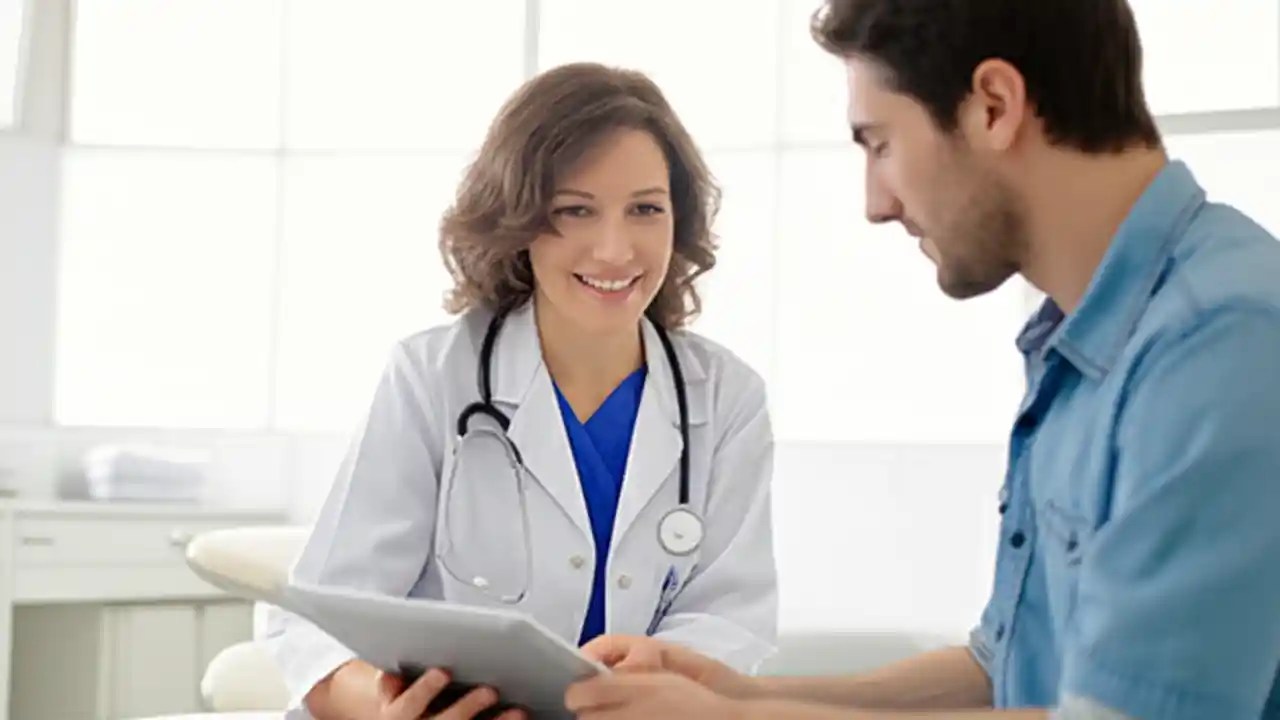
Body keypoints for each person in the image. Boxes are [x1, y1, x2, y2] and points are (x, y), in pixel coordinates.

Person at [564, 1, 1280, 719]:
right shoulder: (1086, 344)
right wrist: (738, 691)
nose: (876, 203)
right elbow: (1003, 671)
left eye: (878, 144)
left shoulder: (1221, 343)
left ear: (993, 107)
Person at [264, 62, 778, 720]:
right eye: (574, 211)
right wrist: (397, 711)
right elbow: (317, 625)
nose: (615, 249)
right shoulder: (432, 377)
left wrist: (664, 674)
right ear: (518, 220)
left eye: (646, 208)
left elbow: (731, 620)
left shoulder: (725, 398)